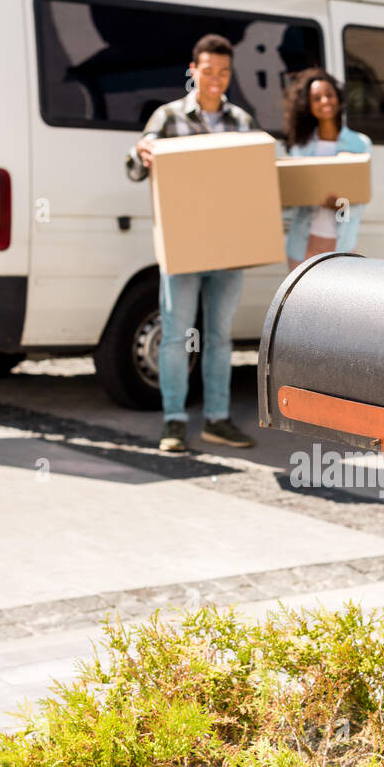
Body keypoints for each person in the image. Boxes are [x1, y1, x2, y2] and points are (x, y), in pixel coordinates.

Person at [126, 33, 256, 454]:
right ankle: (174, 421)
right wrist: (140, 151)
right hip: (183, 244)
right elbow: (134, 167)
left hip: (228, 244)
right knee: (177, 335)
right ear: (193, 71)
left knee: (219, 336)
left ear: (229, 74)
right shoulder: (167, 118)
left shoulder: (242, 123)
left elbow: (258, 177)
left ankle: (217, 419)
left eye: (223, 72)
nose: (215, 79)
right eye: (207, 71)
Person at [281, 68, 371, 269]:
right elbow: (289, 198)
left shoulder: (360, 144)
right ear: (308, 105)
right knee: (299, 301)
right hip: (304, 242)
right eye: (316, 98)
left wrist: (340, 205)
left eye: (329, 95)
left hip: (340, 243)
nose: (324, 101)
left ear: (338, 98)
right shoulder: (300, 147)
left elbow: (360, 201)